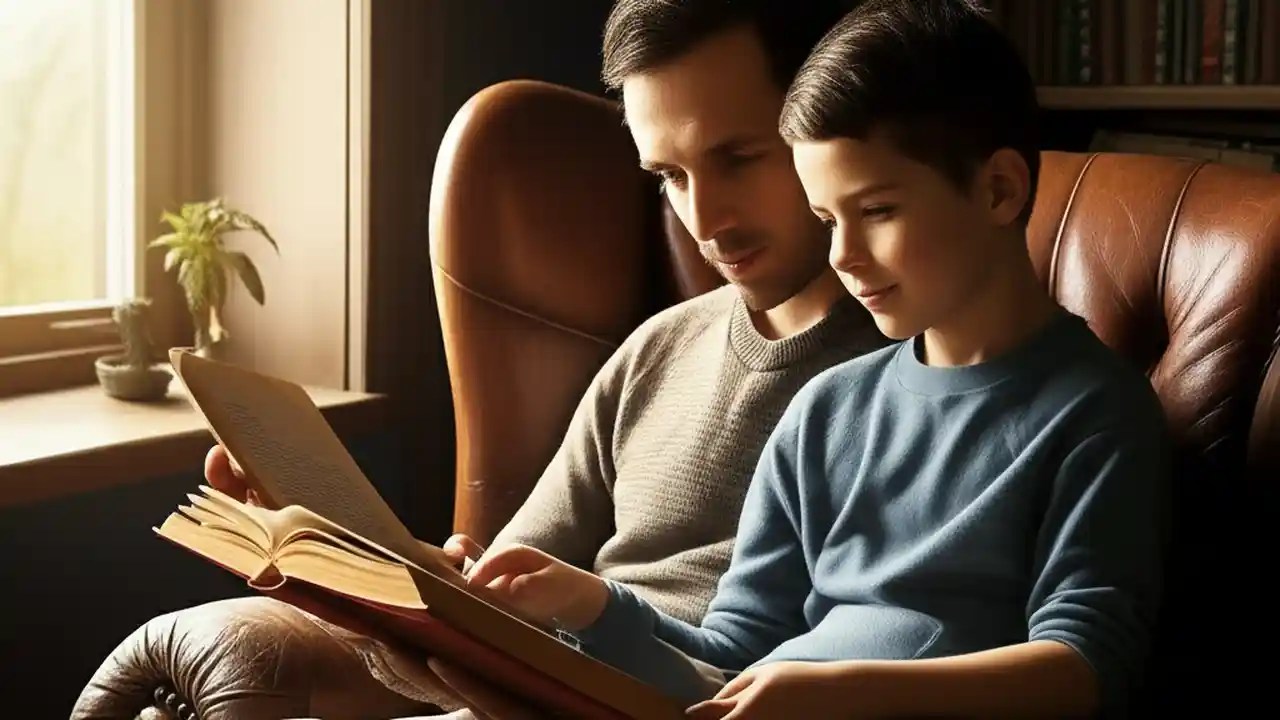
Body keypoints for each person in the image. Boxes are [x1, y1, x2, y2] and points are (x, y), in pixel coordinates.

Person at [80, 1, 882, 718]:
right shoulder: (655, 353)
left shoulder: (916, 372)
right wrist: (333, 554)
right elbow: (496, 595)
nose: (704, 218)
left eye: (739, 157)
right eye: (669, 176)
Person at [462, 1, 1173, 718]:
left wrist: (842, 690)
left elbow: (1088, 663)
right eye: (827, 219)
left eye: (877, 211)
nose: (844, 256)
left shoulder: (1093, 412)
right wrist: (593, 607)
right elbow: (728, 657)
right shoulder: (824, 412)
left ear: (999, 189)